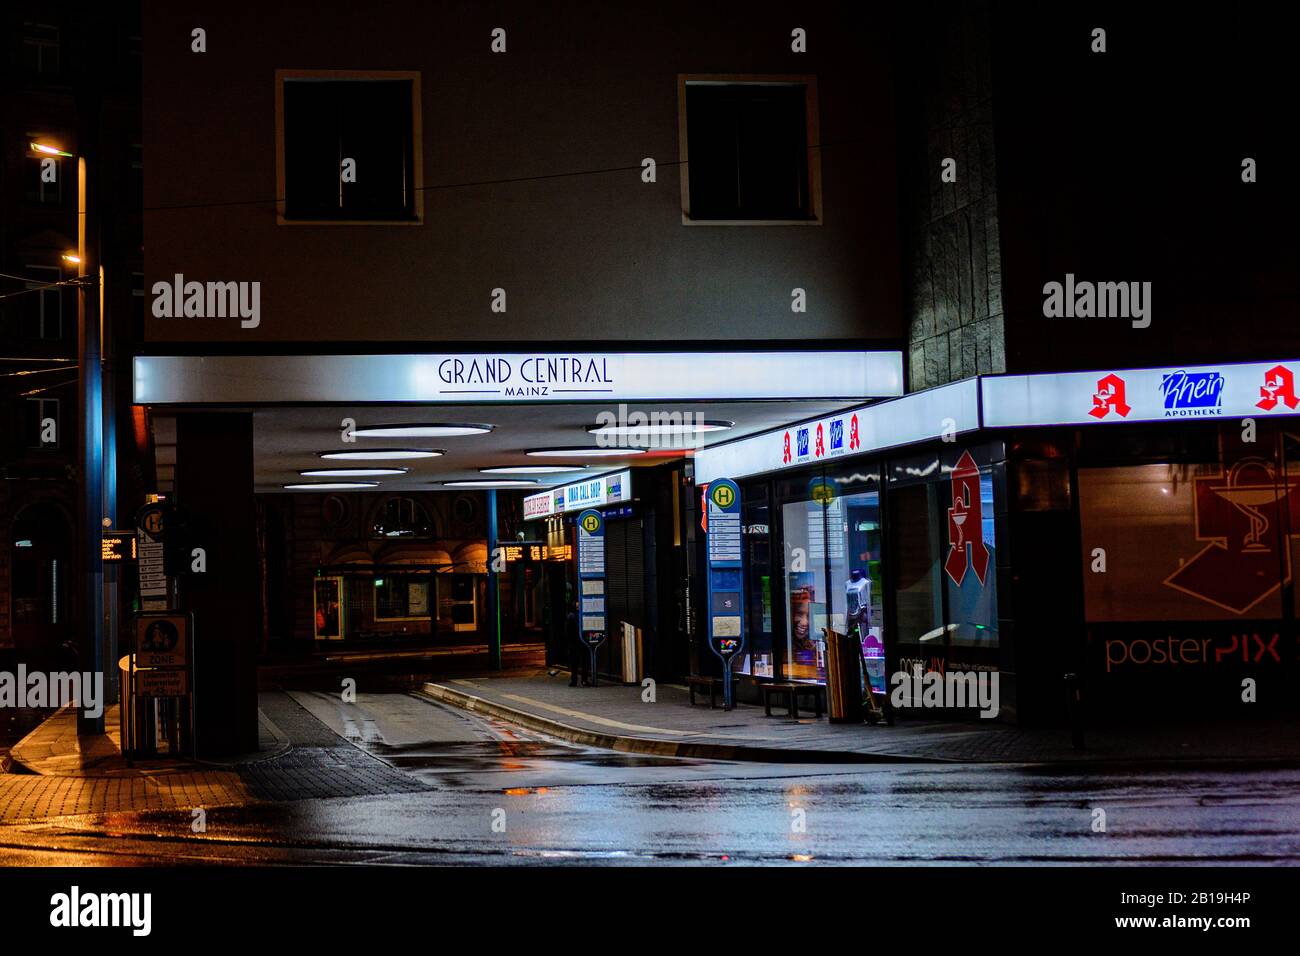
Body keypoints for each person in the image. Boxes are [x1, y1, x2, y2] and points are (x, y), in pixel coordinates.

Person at [566, 598, 590, 687]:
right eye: (578, 604)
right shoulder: (578, 616)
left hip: (575, 643)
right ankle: (584, 680)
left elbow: (568, 631)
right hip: (582, 642)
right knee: (584, 662)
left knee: (574, 663)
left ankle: (574, 681)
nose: (579, 605)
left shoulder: (571, 615)